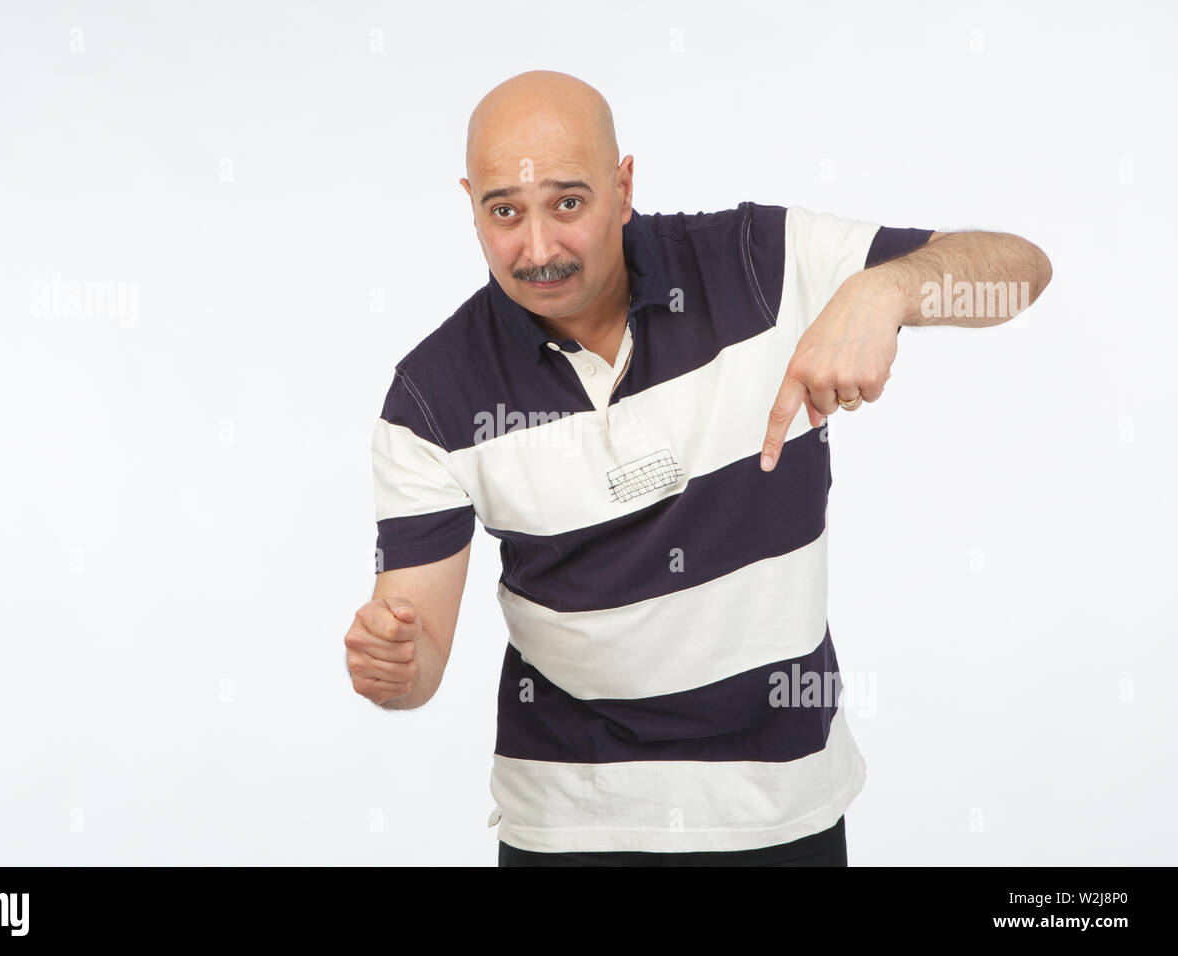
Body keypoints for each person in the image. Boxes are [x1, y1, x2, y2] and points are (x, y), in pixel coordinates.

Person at [345, 70, 1052, 866]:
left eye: (568, 203)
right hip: (570, 828)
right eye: (504, 211)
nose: (537, 248)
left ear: (624, 186)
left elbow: (1017, 271)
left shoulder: (756, 264)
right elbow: (419, 649)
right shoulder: (430, 397)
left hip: (784, 813)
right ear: (470, 204)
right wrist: (396, 668)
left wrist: (884, 289)